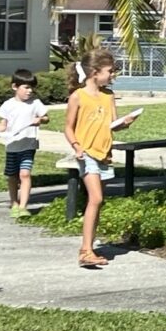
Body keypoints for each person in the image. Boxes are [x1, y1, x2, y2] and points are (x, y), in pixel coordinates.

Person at [64, 50, 135, 268]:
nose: (112, 75)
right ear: (95, 72)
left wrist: (125, 123)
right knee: (96, 198)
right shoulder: (78, 96)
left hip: (104, 154)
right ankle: (86, 251)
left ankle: (89, 246)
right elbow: (68, 127)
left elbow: (112, 124)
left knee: (96, 202)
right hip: (87, 154)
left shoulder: (108, 95)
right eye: (109, 71)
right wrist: (76, 147)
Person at [0, 69, 49, 213]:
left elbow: (46, 118)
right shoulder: (8, 105)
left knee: (25, 174)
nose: (30, 91)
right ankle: (14, 202)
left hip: (28, 144)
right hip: (12, 145)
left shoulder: (35, 103)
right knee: (12, 175)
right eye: (26, 87)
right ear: (15, 87)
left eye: (32, 88)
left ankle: (23, 206)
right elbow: (3, 123)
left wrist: (40, 119)